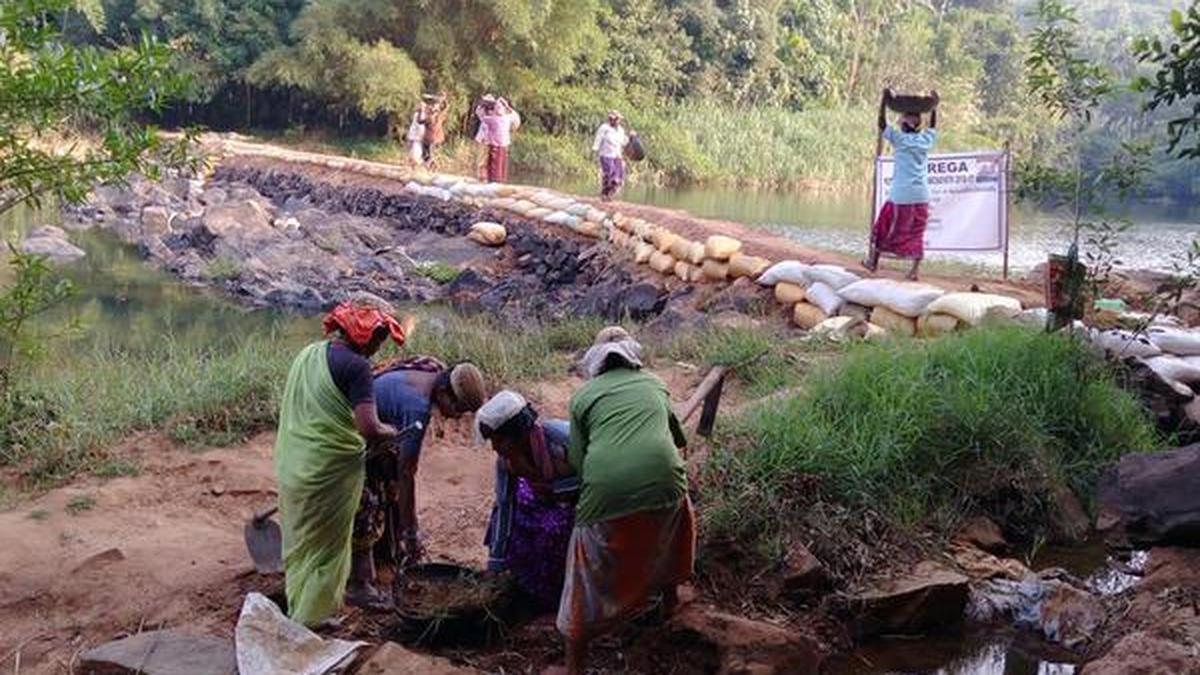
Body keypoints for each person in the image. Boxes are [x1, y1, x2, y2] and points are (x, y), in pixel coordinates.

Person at [547, 327, 693, 675]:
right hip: (666, 486)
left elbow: (580, 464)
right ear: (632, 356)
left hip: (605, 495)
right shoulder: (654, 383)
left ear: (596, 362)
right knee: (676, 518)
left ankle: (574, 665)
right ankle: (670, 600)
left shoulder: (582, 398)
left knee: (583, 574)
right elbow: (679, 438)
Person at [273, 292, 414, 627]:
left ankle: (303, 608)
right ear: (367, 332)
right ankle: (309, 620)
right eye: (380, 337)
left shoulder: (309, 354)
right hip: (331, 472)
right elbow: (368, 428)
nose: (380, 346)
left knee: (305, 543)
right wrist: (391, 433)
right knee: (327, 548)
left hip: (297, 464)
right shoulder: (357, 366)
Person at [347, 356, 487, 608]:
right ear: (445, 392)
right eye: (458, 409)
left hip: (374, 431)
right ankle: (360, 584)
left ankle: (387, 557)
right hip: (349, 436)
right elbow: (406, 475)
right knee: (368, 504)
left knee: (388, 484)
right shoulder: (416, 407)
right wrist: (411, 534)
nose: (456, 417)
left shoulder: (434, 369)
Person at [477, 390, 579, 609]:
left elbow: (595, 478)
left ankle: (560, 594)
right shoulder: (506, 461)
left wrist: (557, 490)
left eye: (499, 440)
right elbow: (504, 505)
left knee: (553, 529)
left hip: (580, 502)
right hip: (545, 498)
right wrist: (495, 563)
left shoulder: (561, 440)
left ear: (518, 434)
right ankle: (526, 583)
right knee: (508, 519)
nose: (495, 448)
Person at [864, 88, 940, 281]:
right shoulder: (925, 139)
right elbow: (932, 126)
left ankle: (873, 262)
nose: (899, 121)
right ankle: (914, 271)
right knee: (916, 232)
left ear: (908, 124)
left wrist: (883, 101)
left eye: (902, 119)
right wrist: (934, 106)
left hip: (901, 195)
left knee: (884, 226)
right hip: (922, 195)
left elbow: (881, 124)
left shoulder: (900, 139)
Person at [475, 95, 521, 183]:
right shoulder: (491, 118)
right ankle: (485, 180)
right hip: (490, 144)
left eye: (501, 107)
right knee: (487, 165)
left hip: (501, 146)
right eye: (497, 106)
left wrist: (507, 106)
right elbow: (480, 115)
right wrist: (482, 105)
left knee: (500, 167)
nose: (499, 108)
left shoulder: (506, 117)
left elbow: (516, 119)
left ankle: (498, 182)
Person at [592, 111, 631, 200]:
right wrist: (595, 150)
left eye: (617, 120)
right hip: (606, 155)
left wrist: (631, 138)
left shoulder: (621, 130)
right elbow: (598, 139)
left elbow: (624, 142)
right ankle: (604, 194)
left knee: (617, 178)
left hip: (617, 156)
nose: (616, 121)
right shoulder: (604, 128)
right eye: (614, 119)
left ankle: (610, 194)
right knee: (609, 174)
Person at [421, 93, 449, 167]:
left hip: (431, 139)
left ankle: (431, 166)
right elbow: (446, 108)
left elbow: (421, 121)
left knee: (429, 155)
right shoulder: (438, 115)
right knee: (429, 154)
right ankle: (431, 165)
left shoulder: (434, 116)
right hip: (434, 139)